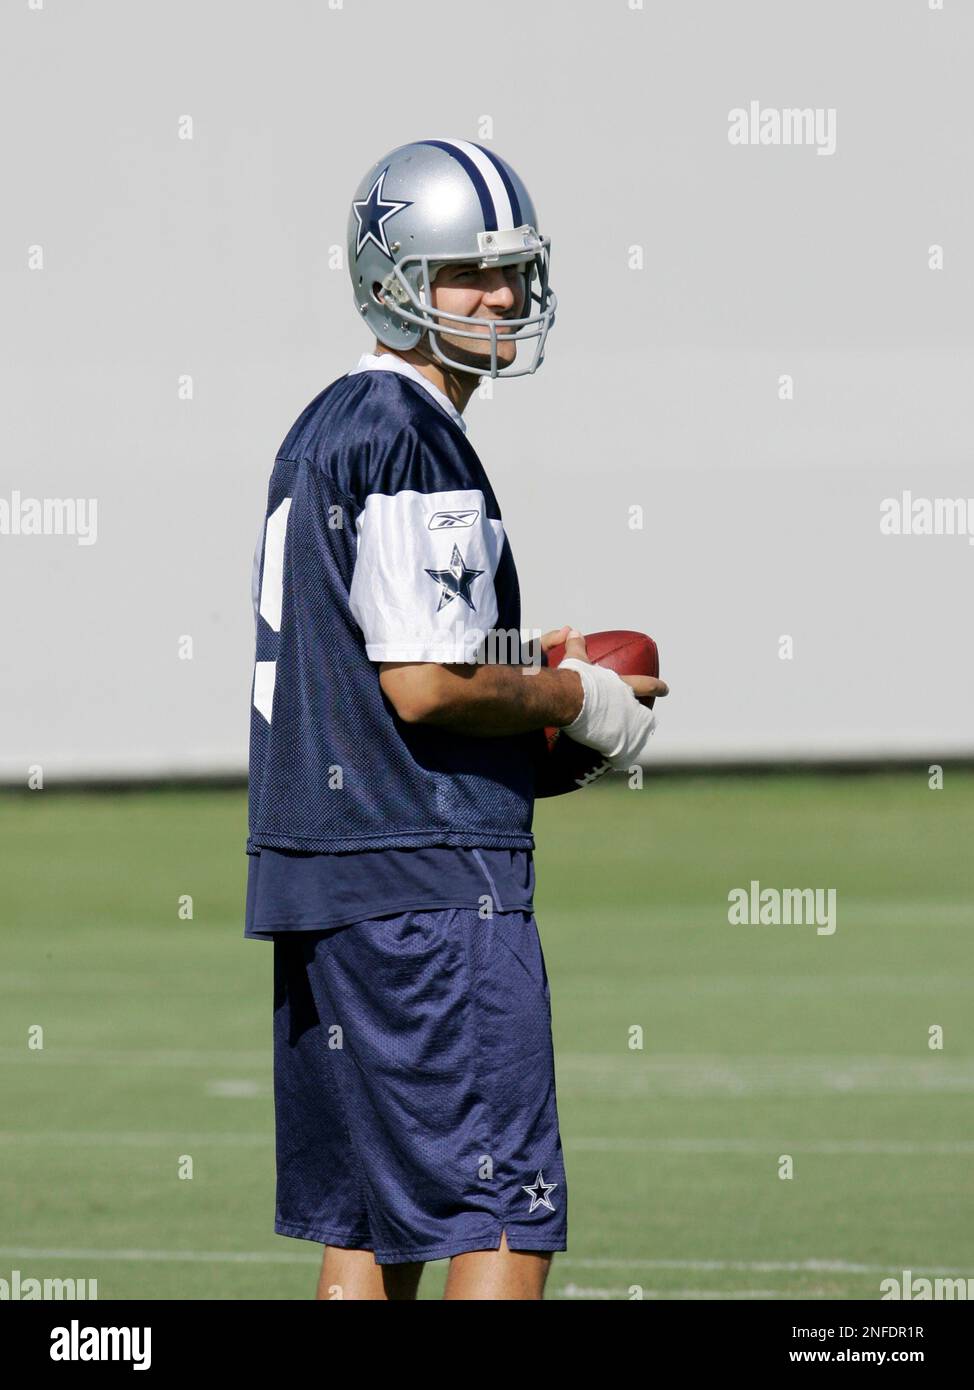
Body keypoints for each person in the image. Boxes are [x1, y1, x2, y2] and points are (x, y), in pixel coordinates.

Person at [245, 139, 667, 1301]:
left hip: (322, 879)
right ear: (393, 281)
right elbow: (422, 686)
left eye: (507, 273)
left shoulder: (323, 426)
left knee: (367, 1229)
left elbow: (372, 645)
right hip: (424, 884)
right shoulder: (414, 435)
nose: (496, 298)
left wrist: (516, 659)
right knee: (496, 1214)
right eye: (461, 275)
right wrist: (573, 698)